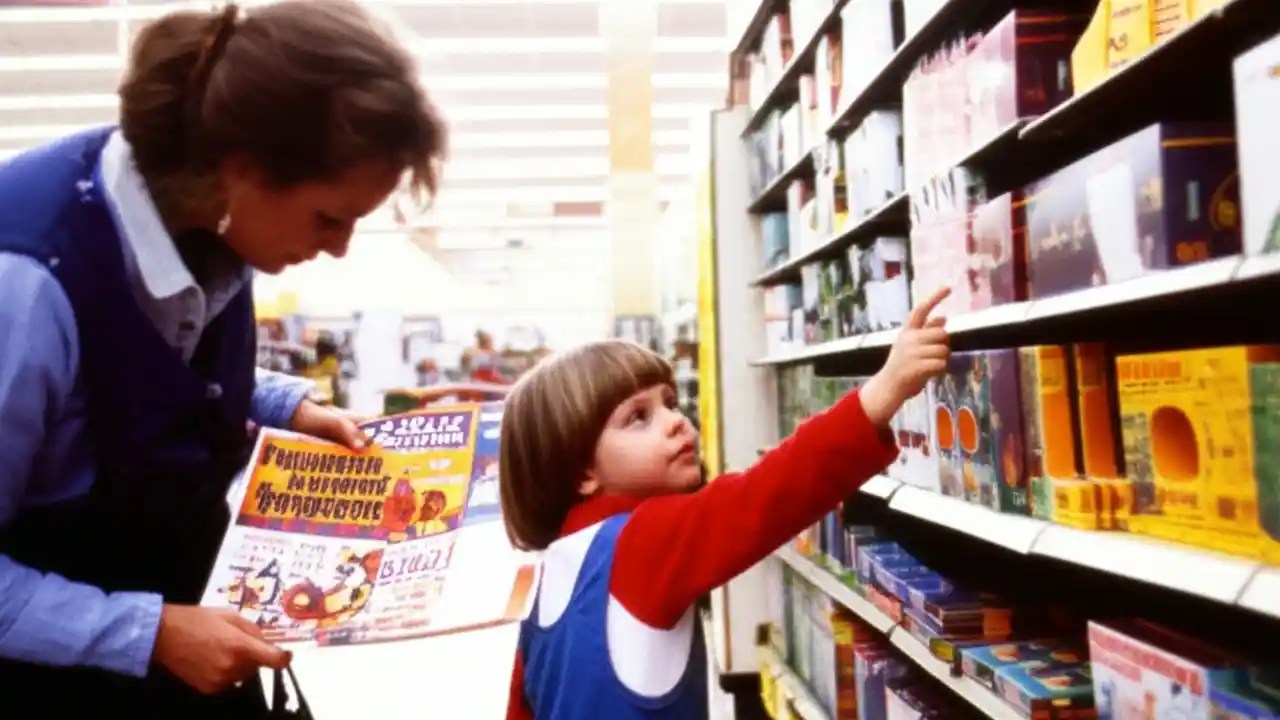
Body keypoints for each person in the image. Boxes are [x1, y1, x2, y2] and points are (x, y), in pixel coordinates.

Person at [0, 0, 445, 714]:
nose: (338, 248)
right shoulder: (25, 283)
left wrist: (288, 403)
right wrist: (147, 635)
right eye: (329, 217)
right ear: (241, 171)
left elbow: (151, 360)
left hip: (190, 646)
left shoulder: (208, 222)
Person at [499, 288, 953, 719]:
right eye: (638, 417)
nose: (676, 422)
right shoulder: (641, 543)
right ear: (583, 473)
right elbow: (767, 494)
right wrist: (886, 389)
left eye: (670, 403)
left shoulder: (542, 584)